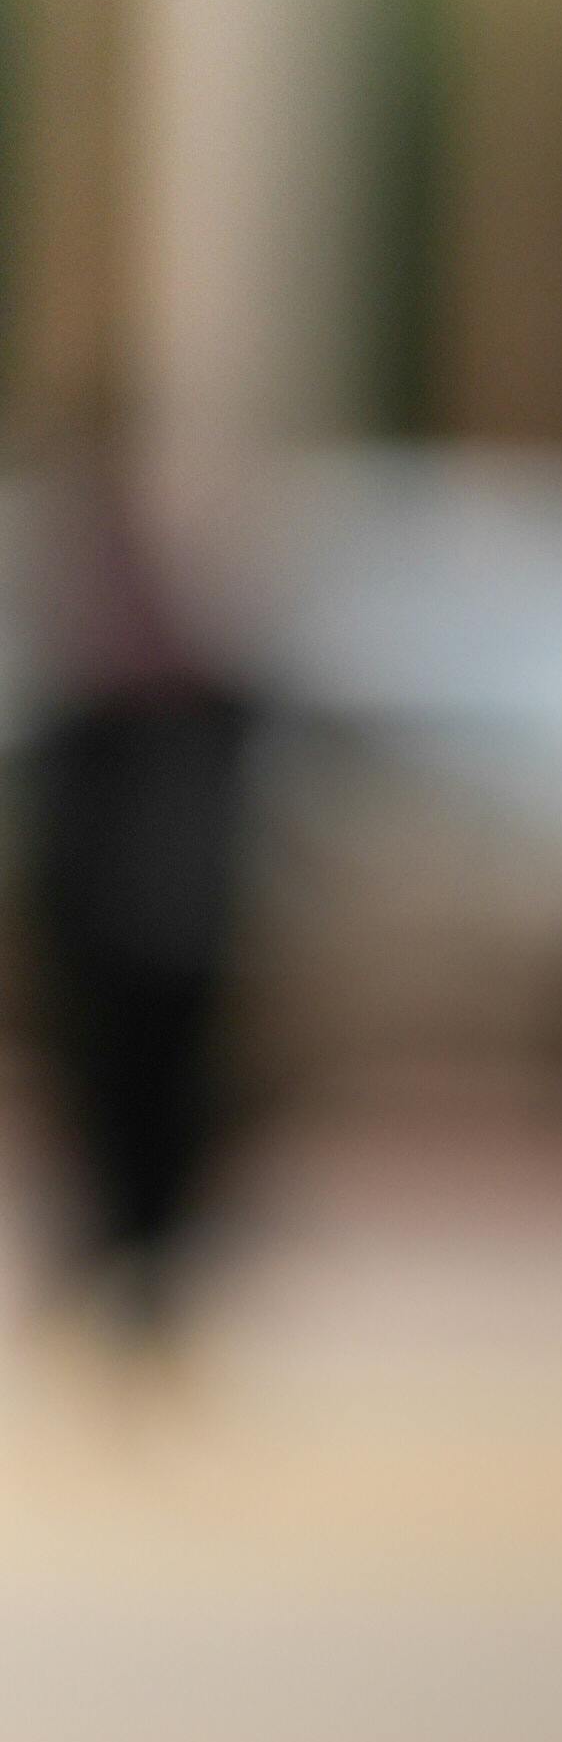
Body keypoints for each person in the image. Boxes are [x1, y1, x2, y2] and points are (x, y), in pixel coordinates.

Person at [15, 440, 267, 1334]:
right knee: (104, 1102)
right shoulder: (86, 721)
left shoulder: (215, 714)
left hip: (180, 939)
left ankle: (160, 1252)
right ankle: (115, 1249)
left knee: (175, 1101)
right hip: (107, 941)